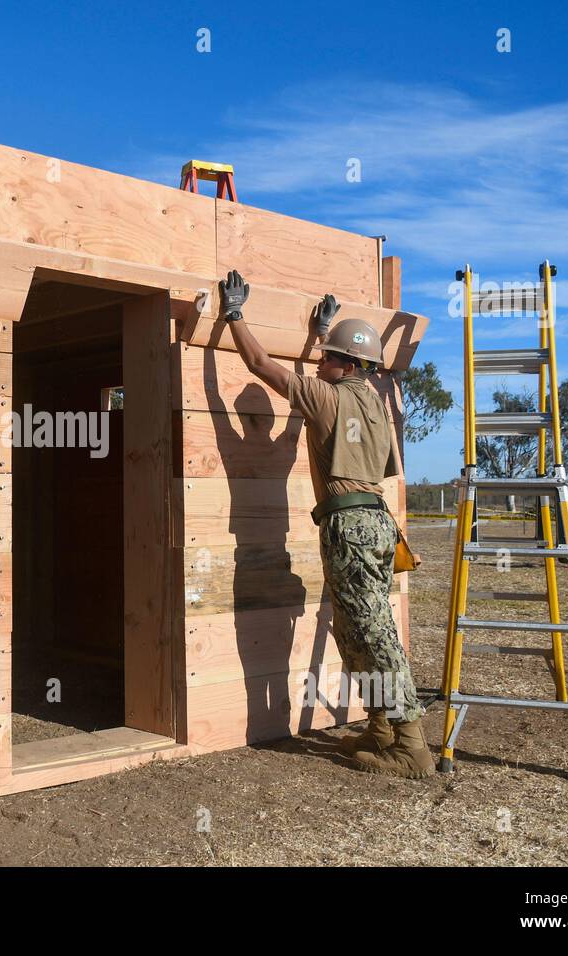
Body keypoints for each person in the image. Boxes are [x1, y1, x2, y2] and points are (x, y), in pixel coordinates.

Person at [217, 269, 433, 779]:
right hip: (379, 524)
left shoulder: (325, 396)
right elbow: (329, 398)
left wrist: (234, 315)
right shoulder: (376, 403)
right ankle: (381, 727)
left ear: (345, 363)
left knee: (375, 635)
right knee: (355, 628)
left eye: (325, 356)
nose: (318, 360)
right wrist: (325, 333)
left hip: (350, 528)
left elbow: (257, 362)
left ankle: (411, 745)